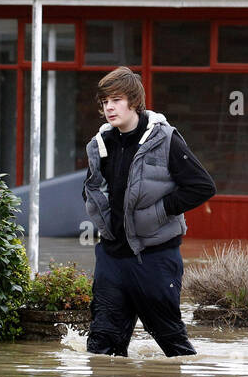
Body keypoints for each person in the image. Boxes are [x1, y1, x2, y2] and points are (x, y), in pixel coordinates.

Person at [81, 66, 215, 357]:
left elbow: (202, 186)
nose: (109, 107)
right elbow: (92, 190)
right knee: (101, 346)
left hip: (155, 258)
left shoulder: (164, 139)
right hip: (112, 257)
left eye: (116, 100)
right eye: (105, 102)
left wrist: (158, 212)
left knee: (173, 346)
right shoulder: (100, 144)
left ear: (134, 101)